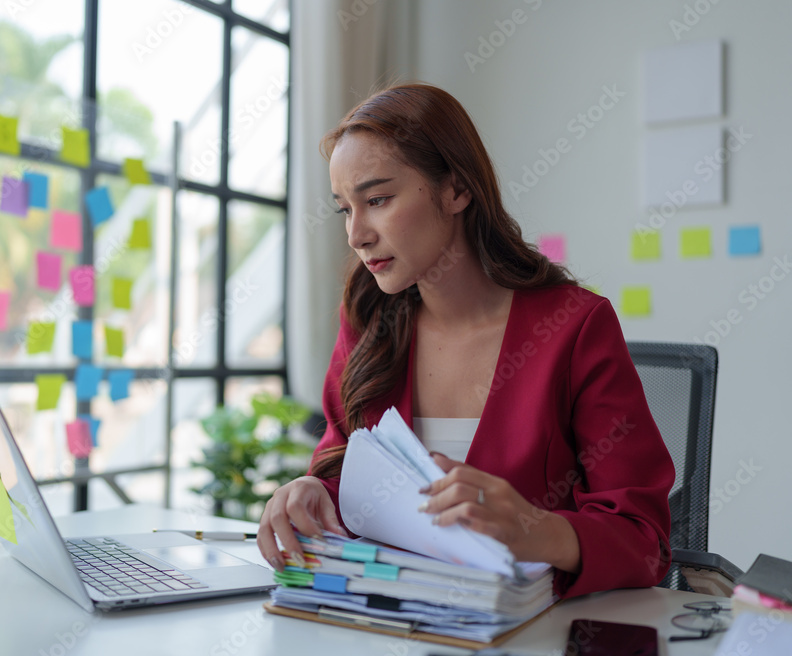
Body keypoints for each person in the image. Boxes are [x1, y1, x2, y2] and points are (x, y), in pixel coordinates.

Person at [257, 83, 675, 599]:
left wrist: (536, 528)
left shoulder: (574, 326)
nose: (356, 234)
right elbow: (340, 469)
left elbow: (646, 541)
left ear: (456, 190)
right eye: (346, 208)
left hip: (528, 637)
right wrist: (310, 490)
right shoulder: (368, 320)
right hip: (384, 625)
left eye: (378, 200)